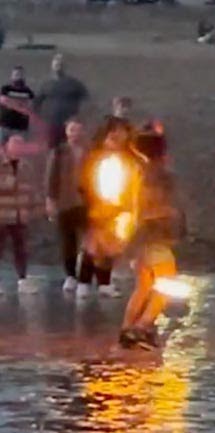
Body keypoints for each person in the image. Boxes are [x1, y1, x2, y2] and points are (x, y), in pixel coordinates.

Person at [119, 123, 182, 351]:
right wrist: (170, 213)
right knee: (166, 283)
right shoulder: (158, 175)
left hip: (141, 236)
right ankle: (142, 328)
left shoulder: (139, 172)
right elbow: (153, 207)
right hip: (155, 236)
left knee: (144, 285)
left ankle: (127, 330)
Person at [81, 117, 139, 300]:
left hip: (120, 206)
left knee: (110, 245)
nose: (119, 137)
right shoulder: (96, 157)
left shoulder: (129, 158)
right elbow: (87, 183)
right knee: (94, 245)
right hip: (99, 206)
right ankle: (84, 281)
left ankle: (104, 282)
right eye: (114, 134)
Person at [45, 117, 90, 294]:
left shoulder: (89, 151)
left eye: (78, 130)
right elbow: (50, 177)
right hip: (65, 201)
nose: (75, 134)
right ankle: (71, 276)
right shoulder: (58, 152)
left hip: (86, 202)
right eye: (72, 130)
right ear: (66, 132)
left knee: (89, 241)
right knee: (68, 241)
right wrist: (50, 200)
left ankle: (85, 278)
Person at [0, 133, 36, 295]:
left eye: (21, 143)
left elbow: (30, 190)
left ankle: (22, 279)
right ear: (6, 145)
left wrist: (29, 209)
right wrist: (10, 183)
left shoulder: (25, 166)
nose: (18, 147)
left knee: (20, 248)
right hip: (2, 213)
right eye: (15, 143)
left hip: (19, 214)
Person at [34, 54, 88, 147]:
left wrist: (78, 116)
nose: (58, 67)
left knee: (70, 149)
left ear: (64, 66)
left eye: (60, 64)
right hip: (52, 123)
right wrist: (40, 119)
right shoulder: (46, 84)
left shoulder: (74, 84)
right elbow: (36, 102)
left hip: (70, 124)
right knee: (52, 149)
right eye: (56, 64)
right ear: (52, 66)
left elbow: (86, 100)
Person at [0, 66, 34, 143]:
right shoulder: (5, 89)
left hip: (20, 128)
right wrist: (20, 105)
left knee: (19, 151)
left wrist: (13, 104)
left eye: (20, 75)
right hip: (5, 126)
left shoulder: (28, 92)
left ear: (24, 76)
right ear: (12, 76)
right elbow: (3, 101)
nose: (18, 77)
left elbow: (31, 106)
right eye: (16, 75)